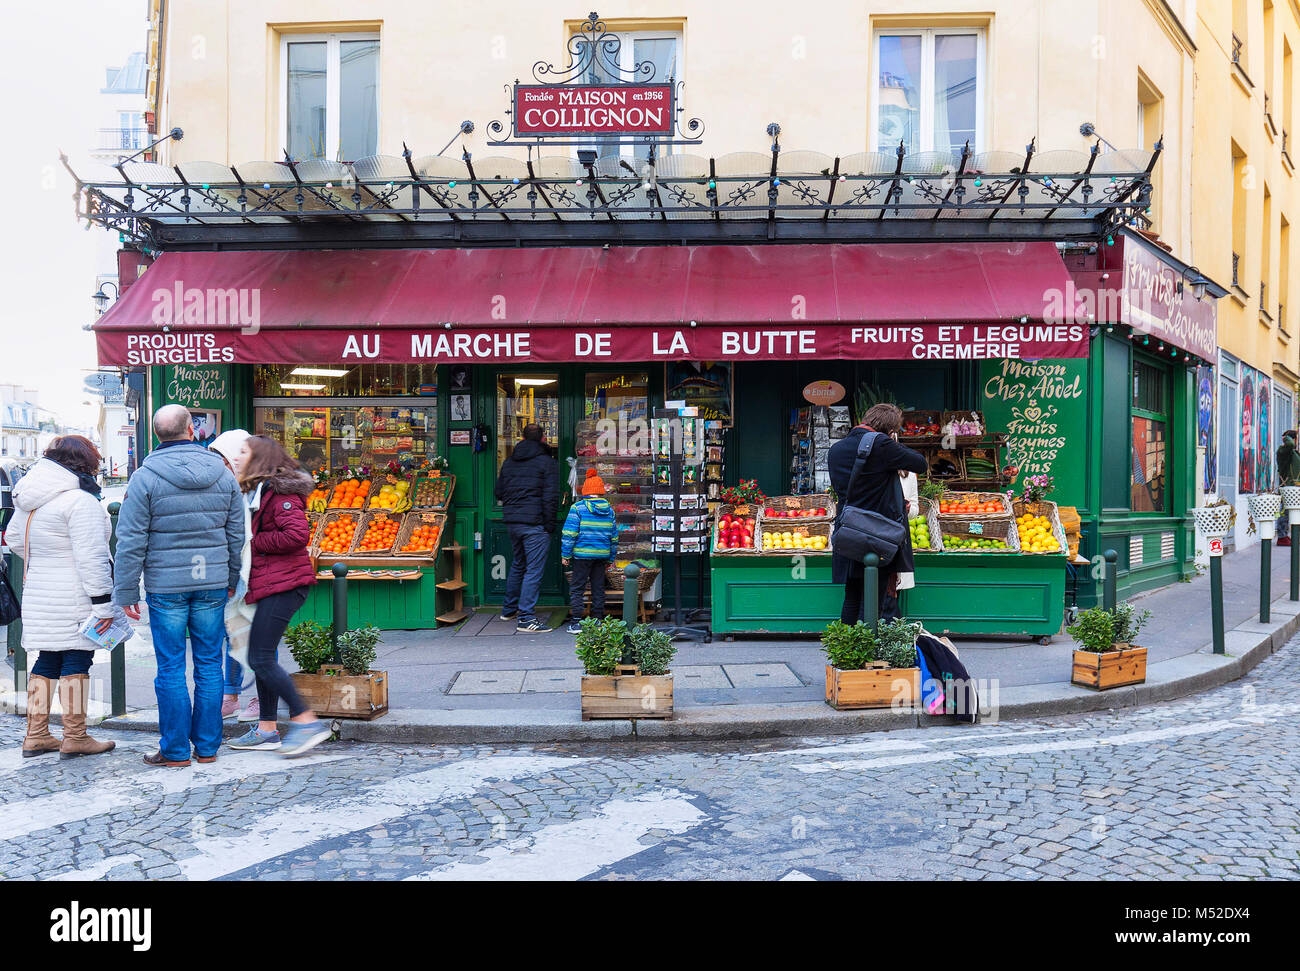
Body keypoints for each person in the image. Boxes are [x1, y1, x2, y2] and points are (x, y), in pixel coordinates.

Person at [113, 404, 244, 768]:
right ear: (192, 430)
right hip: (212, 582)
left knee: (170, 666)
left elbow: (130, 539)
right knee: (208, 663)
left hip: (166, 585)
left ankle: (174, 751)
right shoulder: (221, 473)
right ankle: (207, 747)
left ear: (157, 435)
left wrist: (125, 592)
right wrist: (232, 577)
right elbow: (236, 533)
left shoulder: (145, 477)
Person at [11, 436, 117, 759]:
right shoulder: (78, 501)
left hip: (40, 592)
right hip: (76, 595)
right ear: (85, 463)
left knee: (47, 660)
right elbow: (92, 558)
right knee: (76, 658)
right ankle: (75, 736)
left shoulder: (33, 498)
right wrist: (104, 605)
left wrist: (47, 557)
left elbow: (15, 539)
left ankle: (37, 734)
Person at [226, 436, 328, 757]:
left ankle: (305, 719)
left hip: (285, 584)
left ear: (259, 458)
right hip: (270, 583)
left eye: (244, 452)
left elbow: (297, 535)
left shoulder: (279, 492)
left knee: (260, 658)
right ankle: (267, 729)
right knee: (261, 658)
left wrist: (252, 541)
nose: (238, 457)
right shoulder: (259, 491)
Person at [828, 403, 928, 625]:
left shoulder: (836, 450)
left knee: (852, 595)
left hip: (849, 530)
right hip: (877, 532)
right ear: (890, 429)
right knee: (873, 599)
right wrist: (892, 442)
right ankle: (868, 652)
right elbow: (920, 463)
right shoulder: (882, 444)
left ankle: (847, 649)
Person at [209, 429, 258, 721]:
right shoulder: (225, 486)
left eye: (226, 460)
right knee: (234, 635)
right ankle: (231, 696)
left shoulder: (258, 488)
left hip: (253, 573)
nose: (222, 466)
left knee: (257, 638)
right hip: (229, 572)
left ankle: (260, 698)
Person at [494, 422, 559, 633]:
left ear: (522, 438)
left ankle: (509, 609)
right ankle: (526, 618)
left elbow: (498, 492)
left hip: (512, 522)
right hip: (535, 524)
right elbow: (550, 497)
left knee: (519, 564)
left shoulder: (509, 462)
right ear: (542, 439)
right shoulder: (546, 463)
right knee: (533, 570)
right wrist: (549, 525)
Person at [561, 469, 619, 634]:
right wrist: (611, 558)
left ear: (586, 490)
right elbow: (614, 537)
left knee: (578, 587)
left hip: (581, 555)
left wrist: (565, 554)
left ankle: (576, 622)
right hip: (601, 555)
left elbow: (569, 534)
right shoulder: (609, 510)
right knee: (598, 588)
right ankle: (598, 620)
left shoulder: (578, 508)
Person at [1276, 430, 1300, 546]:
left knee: (1292, 512)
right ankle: (1282, 537)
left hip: (1294, 487)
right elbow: (1290, 445)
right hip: (1286, 485)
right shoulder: (1283, 451)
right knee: (1284, 511)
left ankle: (1289, 536)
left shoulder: (1292, 452)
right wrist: (1286, 438)